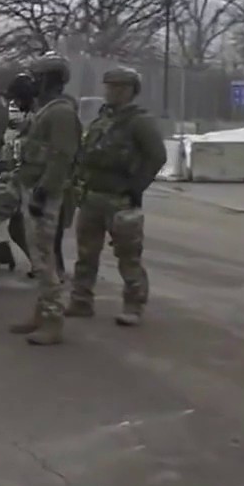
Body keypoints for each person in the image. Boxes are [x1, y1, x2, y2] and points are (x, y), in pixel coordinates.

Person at [67, 67, 166, 327]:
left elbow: (157, 156)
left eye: (119, 87)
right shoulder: (101, 120)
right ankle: (81, 300)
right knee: (86, 254)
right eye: (110, 86)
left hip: (120, 198)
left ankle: (133, 305)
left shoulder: (139, 122)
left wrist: (137, 187)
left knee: (128, 255)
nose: (112, 91)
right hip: (93, 196)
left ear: (131, 91)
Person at [3, 54, 82, 346]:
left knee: (46, 259)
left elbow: (62, 158)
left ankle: (52, 321)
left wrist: (43, 192)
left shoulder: (60, 113)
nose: (33, 82)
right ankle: (41, 312)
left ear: (50, 79)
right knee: (38, 256)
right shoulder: (47, 110)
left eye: (37, 77)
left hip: (44, 195)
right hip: (34, 188)